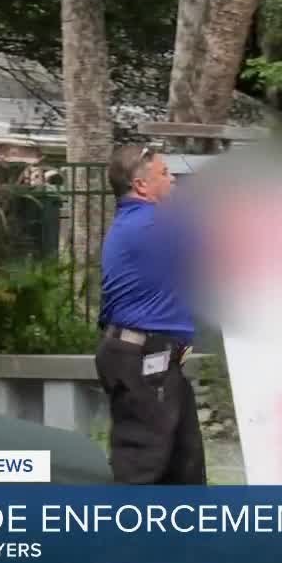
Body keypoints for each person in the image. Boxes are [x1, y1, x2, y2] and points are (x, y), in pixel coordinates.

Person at [93, 143, 207, 485]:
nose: (173, 180)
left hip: (154, 361)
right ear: (141, 185)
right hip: (144, 362)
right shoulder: (155, 224)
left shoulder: (141, 222)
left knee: (184, 467)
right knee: (140, 470)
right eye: (165, 173)